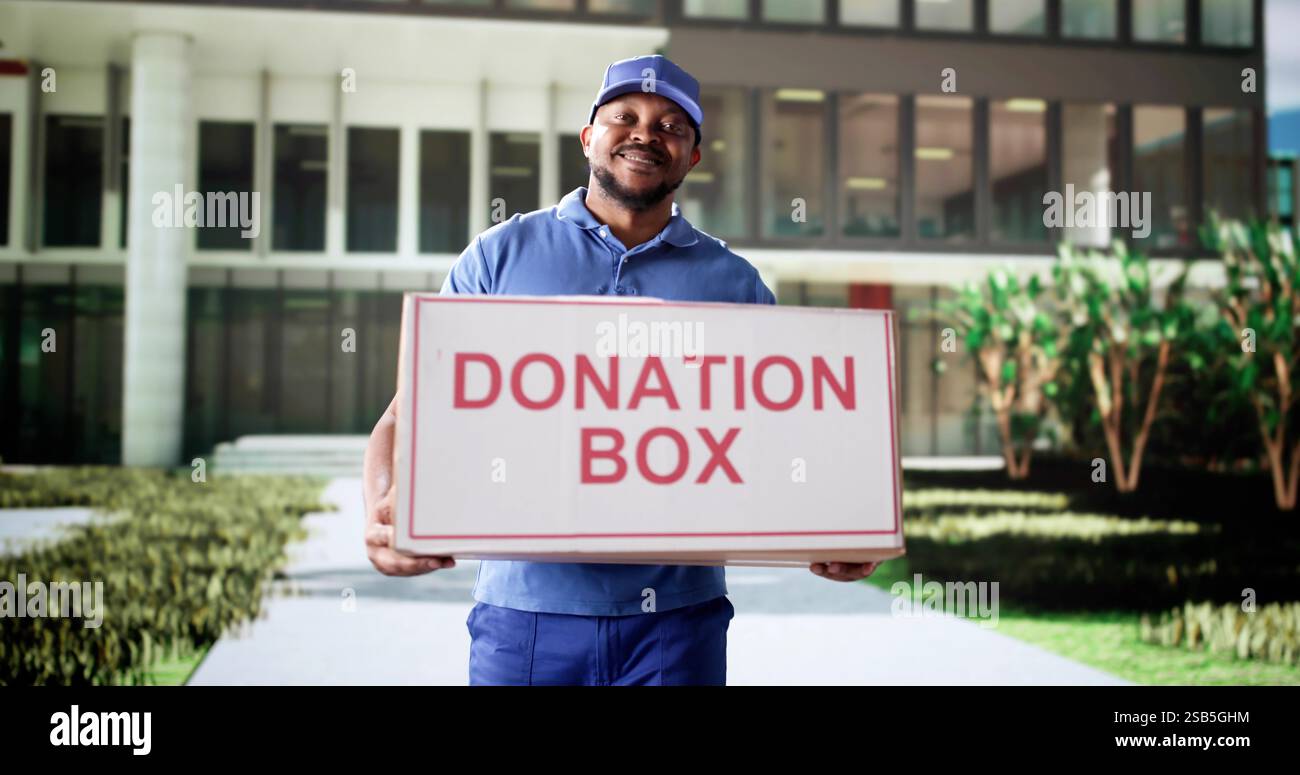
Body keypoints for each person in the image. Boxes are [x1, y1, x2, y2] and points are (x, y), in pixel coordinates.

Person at [362, 54, 879, 686]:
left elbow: (780, 435)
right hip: (525, 615)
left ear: (693, 157)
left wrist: (841, 520)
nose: (645, 134)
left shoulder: (733, 282)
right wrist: (383, 509)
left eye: (670, 126)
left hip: (677, 624)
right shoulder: (498, 258)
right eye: (625, 117)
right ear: (589, 139)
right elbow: (408, 412)